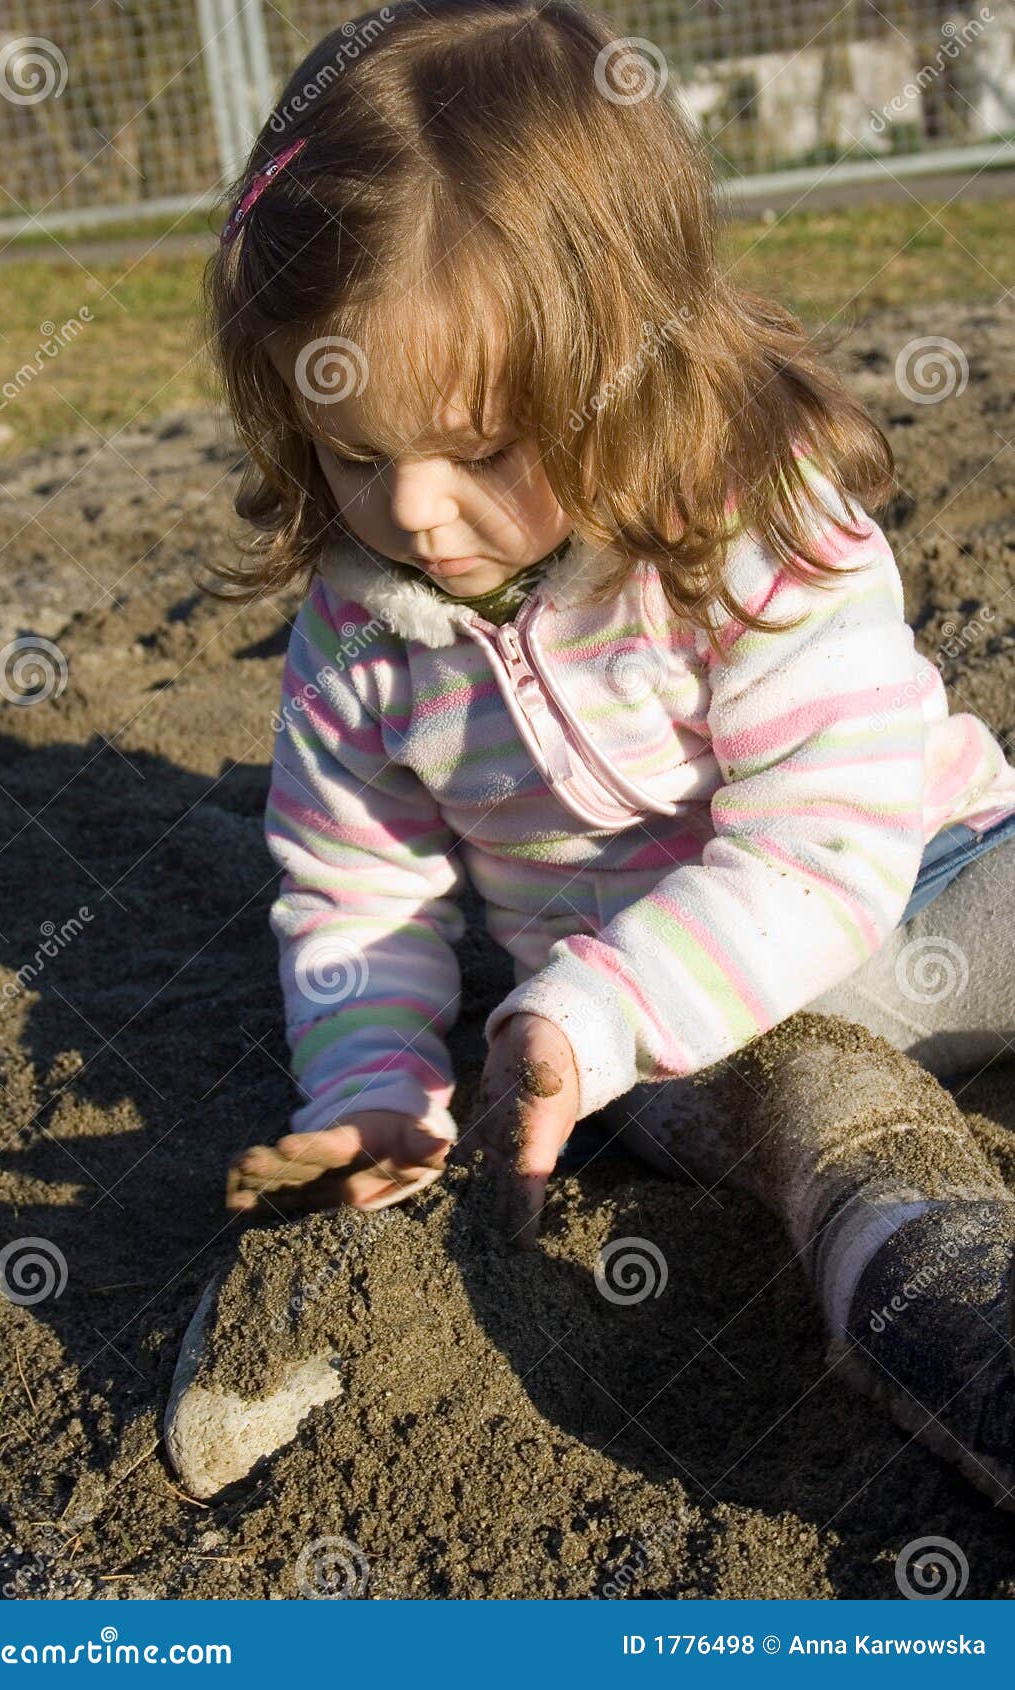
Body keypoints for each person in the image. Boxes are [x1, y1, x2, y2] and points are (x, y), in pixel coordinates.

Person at [164, 0, 1015, 1506]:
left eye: (485, 445)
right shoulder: (358, 641)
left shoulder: (754, 514)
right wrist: (372, 1084)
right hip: (670, 1047)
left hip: (929, 883)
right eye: (357, 453)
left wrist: (604, 997)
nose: (416, 512)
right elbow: (353, 895)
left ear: (629, 360)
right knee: (825, 1120)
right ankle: (952, 1313)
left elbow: (830, 845)